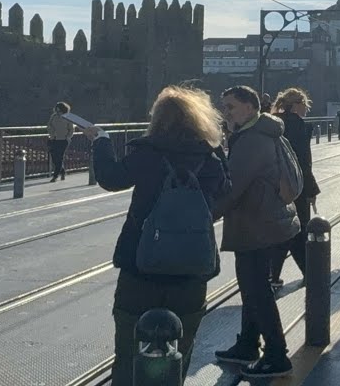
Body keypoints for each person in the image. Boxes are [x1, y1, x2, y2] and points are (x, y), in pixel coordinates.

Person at [86, 86, 231, 386]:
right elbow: (225, 193)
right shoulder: (210, 158)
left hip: (141, 265)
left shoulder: (147, 154)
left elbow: (111, 178)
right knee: (181, 347)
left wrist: (101, 142)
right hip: (192, 268)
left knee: (128, 350)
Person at [212, 85, 300, 379]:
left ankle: (276, 354)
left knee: (256, 289)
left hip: (256, 224)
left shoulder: (251, 141)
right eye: (224, 106)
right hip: (265, 221)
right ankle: (248, 343)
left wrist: (205, 216)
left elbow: (232, 187)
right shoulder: (261, 132)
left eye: (231, 106)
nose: (225, 112)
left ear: (250, 107)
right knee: (252, 286)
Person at [269, 87, 320, 290]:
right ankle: (308, 272)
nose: (306, 109)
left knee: (285, 229)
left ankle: (276, 275)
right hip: (295, 185)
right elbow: (303, 162)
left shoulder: (274, 123)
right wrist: (311, 189)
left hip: (275, 184)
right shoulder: (299, 126)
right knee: (297, 230)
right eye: (305, 105)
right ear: (296, 105)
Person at [47, 101, 74, 182]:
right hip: (54, 139)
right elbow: (49, 125)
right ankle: (62, 171)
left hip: (63, 140)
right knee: (54, 158)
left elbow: (71, 129)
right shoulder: (54, 116)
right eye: (57, 109)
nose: (58, 111)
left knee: (59, 157)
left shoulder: (68, 117)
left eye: (59, 110)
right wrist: (51, 133)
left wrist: (68, 137)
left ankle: (55, 176)